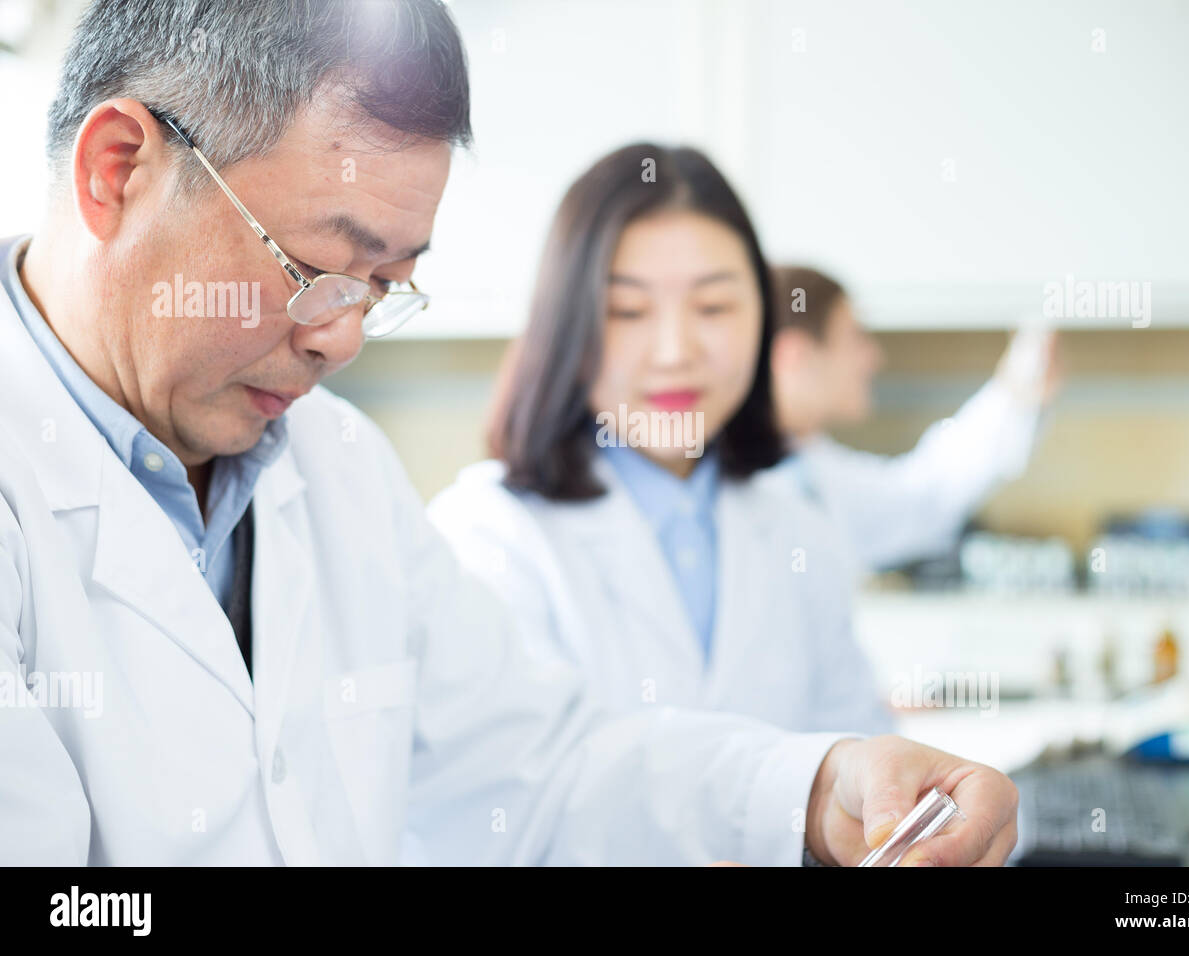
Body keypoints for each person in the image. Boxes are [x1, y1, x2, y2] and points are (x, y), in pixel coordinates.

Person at [0, 0, 1018, 867]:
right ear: (117, 168)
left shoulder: (339, 467)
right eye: (317, 265)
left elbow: (541, 765)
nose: (343, 335)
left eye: (387, 284)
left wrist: (817, 786)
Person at [430, 144, 893, 735]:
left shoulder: (802, 536)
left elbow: (859, 762)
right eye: (627, 310)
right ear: (566, 325)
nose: (675, 352)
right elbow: (509, 798)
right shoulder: (489, 539)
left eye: (714, 306)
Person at [765, 265, 1060, 576]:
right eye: (856, 338)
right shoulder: (733, 475)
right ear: (794, 355)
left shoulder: (812, 471)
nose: (874, 357)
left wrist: (1015, 394)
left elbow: (922, 498)